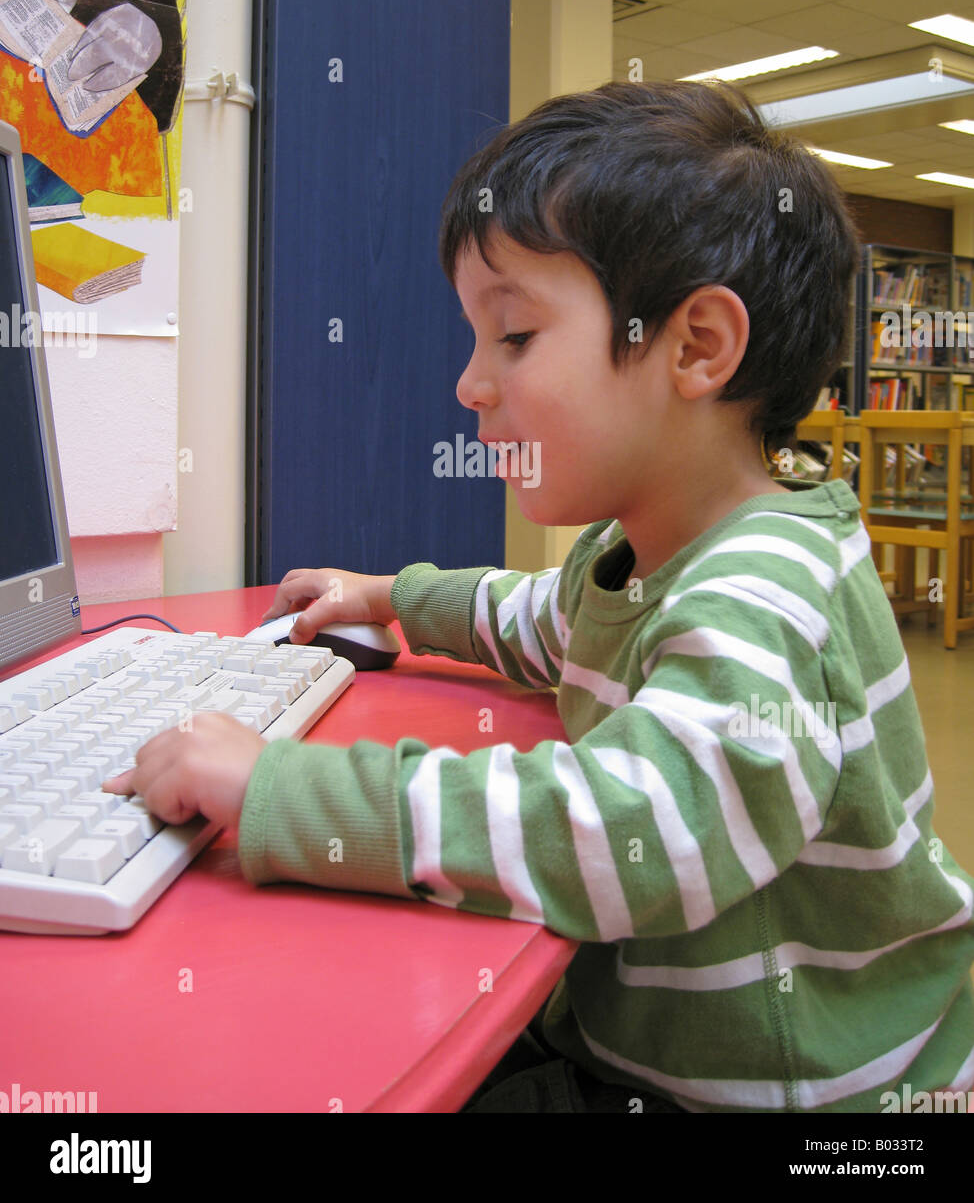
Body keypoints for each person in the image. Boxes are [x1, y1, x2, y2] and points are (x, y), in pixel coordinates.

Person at [104, 80, 974, 1113]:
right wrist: (386, 595)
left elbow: (629, 831)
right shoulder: (638, 550)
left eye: (512, 336)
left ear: (695, 345)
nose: (471, 383)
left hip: (807, 1095)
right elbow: (540, 620)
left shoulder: (767, 589)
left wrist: (282, 793)